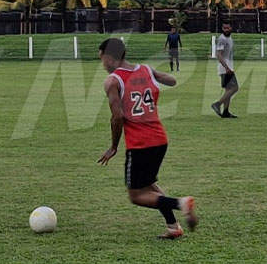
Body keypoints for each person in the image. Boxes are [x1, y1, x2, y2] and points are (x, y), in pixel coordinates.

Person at [96, 38, 198, 239]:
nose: (103, 65)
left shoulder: (113, 81)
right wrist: (148, 81)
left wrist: (113, 146)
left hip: (140, 144)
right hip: (160, 139)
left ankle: (180, 203)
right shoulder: (146, 69)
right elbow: (171, 80)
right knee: (149, 185)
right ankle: (172, 226)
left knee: (136, 195)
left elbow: (117, 116)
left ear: (110, 58)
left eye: (102, 60)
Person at [210, 23, 239, 118]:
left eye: (228, 28)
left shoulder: (229, 39)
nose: (226, 30)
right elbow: (219, 54)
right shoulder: (222, 39)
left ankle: (226, 112)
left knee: (228, 90)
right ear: (222, 28)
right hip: (225, 68)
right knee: (235, 88)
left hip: (228, 66)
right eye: (224, 28)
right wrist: (226, 67)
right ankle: (217, 104)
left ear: (231, 28)